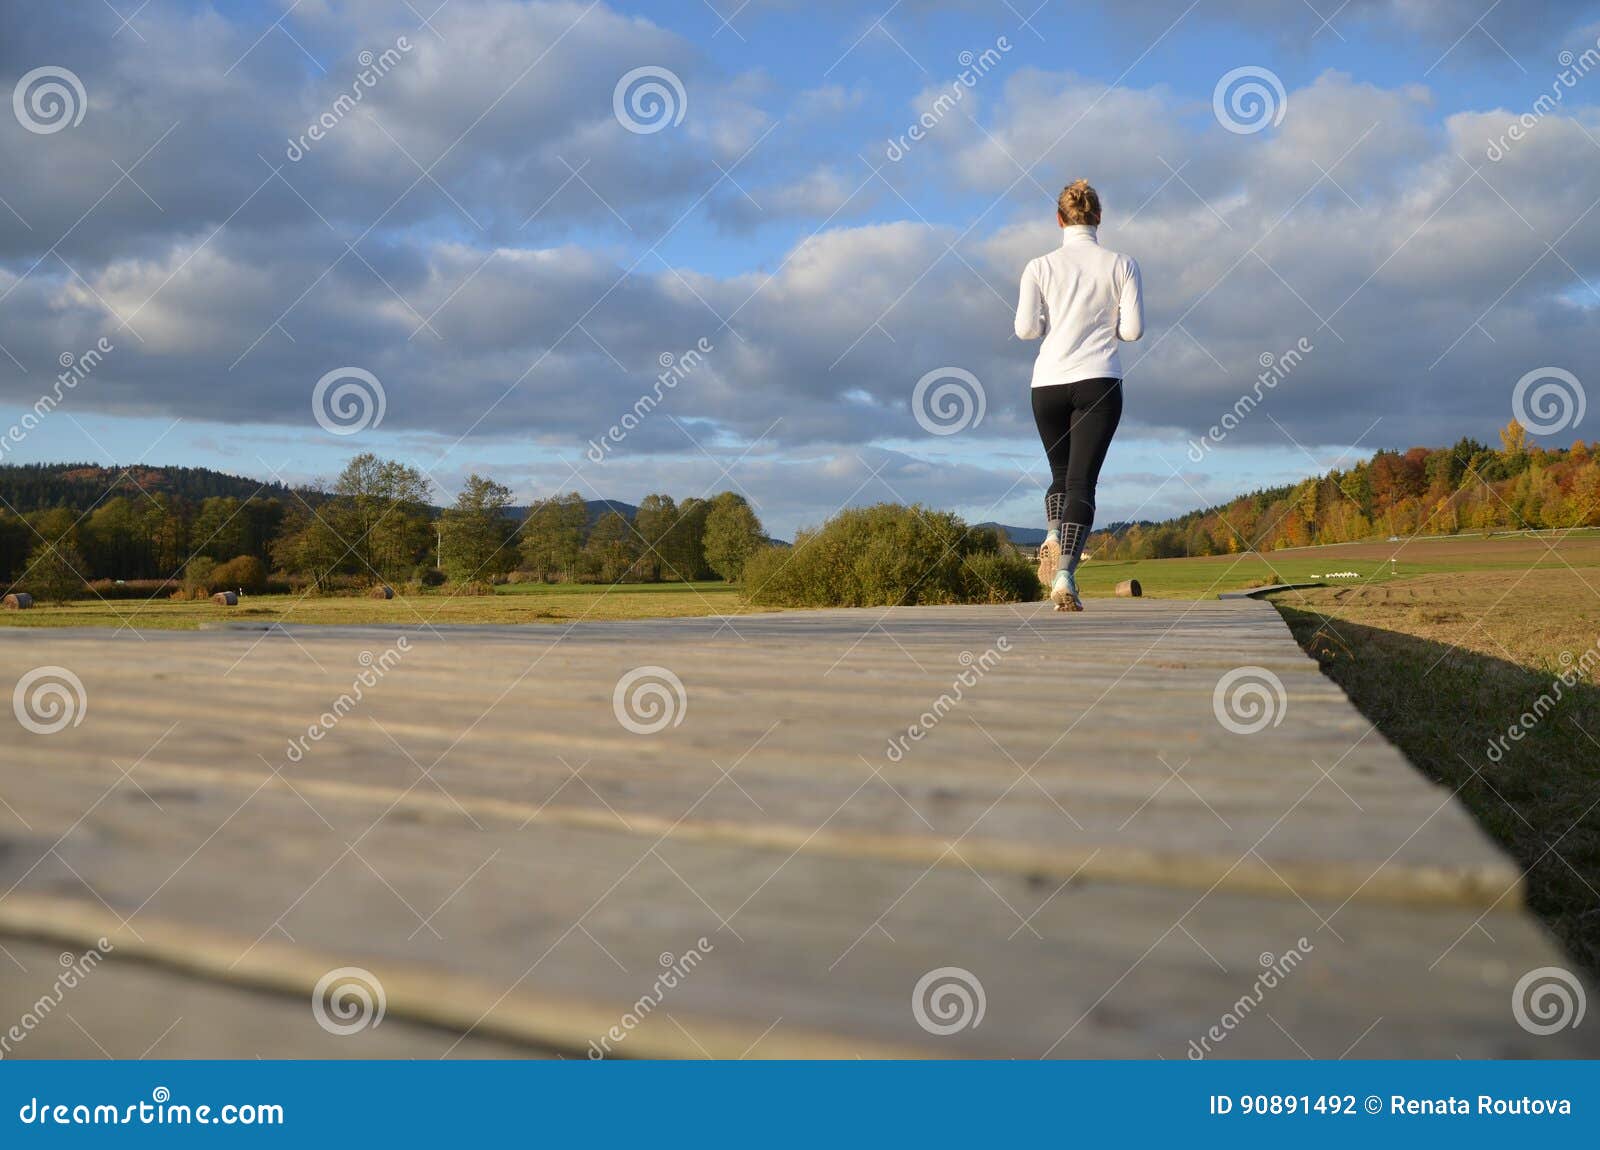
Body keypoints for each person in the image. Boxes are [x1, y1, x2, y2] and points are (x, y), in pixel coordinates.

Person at [1014, 179, 1143, 611]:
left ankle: (1051, 535)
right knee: (1081, 482)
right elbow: (1132, 331)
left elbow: (1025, 330)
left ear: (1059, 219)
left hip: (1046, 384)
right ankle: (1064, 577)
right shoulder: (1122, 264)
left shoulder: (1038, 266)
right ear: (1098, 218)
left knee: (1060, 474)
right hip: (1098, 382)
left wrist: (1054, 317)